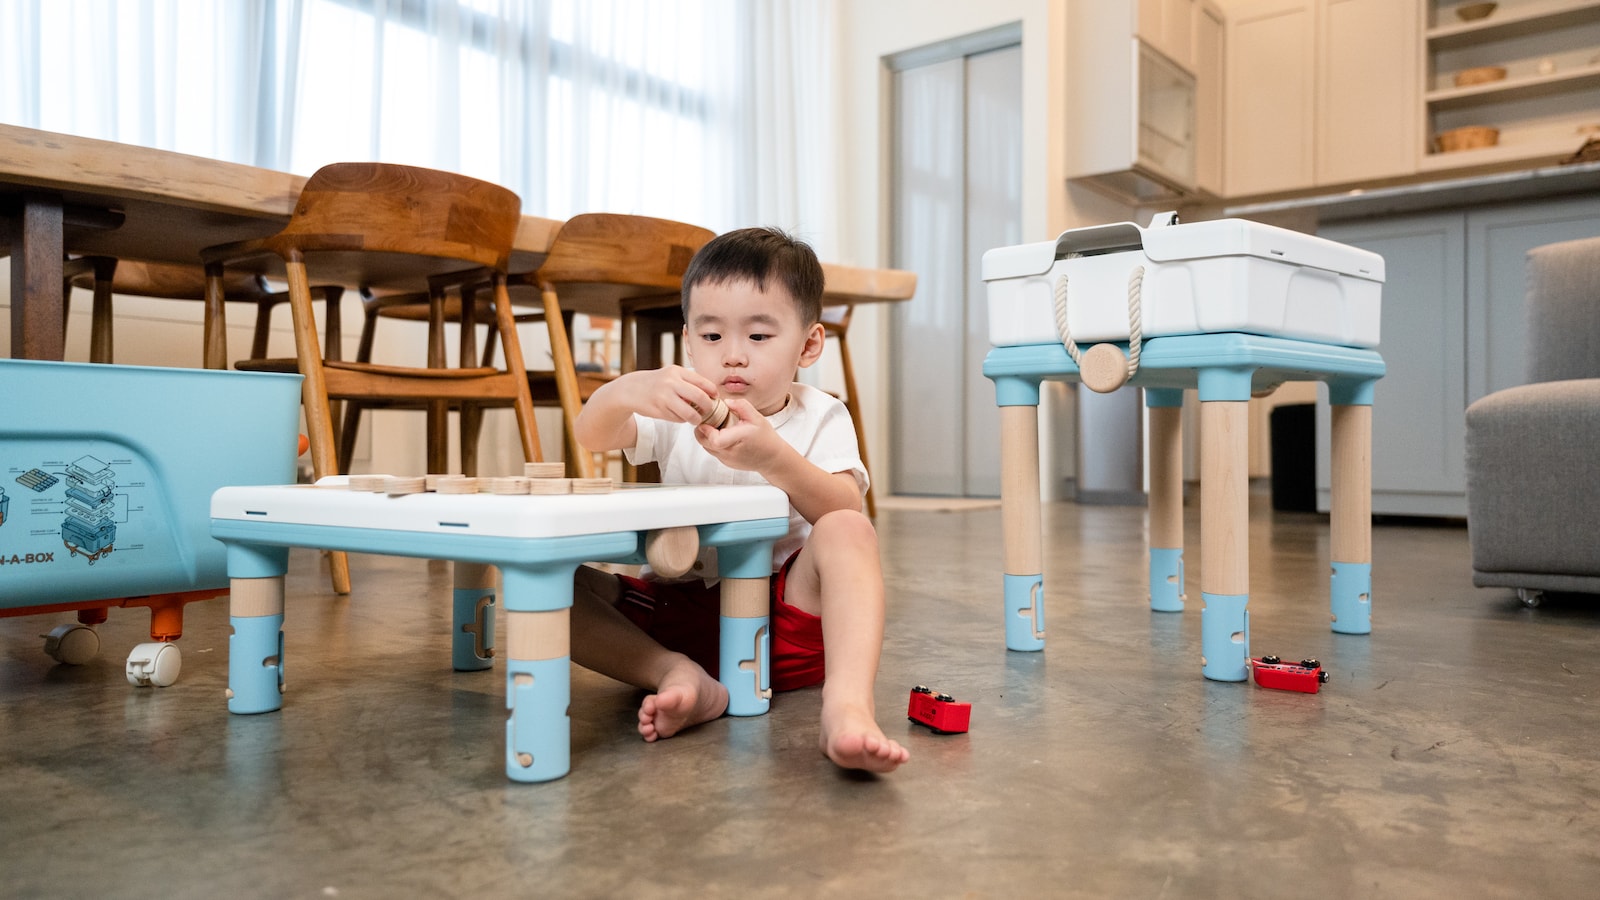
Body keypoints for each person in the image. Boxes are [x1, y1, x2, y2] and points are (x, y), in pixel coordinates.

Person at [569, 226, 909, 774]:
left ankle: (847, 708)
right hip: (677, 611)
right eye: (711, 337)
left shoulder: (819, 414)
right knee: (549, 587)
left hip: (787, 623)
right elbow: (592, 435)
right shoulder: (681, 411)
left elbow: (844, 506)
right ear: (687, 341)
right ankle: (673, 673)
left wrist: (774, 457)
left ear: (809, 344)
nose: (732, 357)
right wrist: (628, 389)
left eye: (757, 337)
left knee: (848, 531)